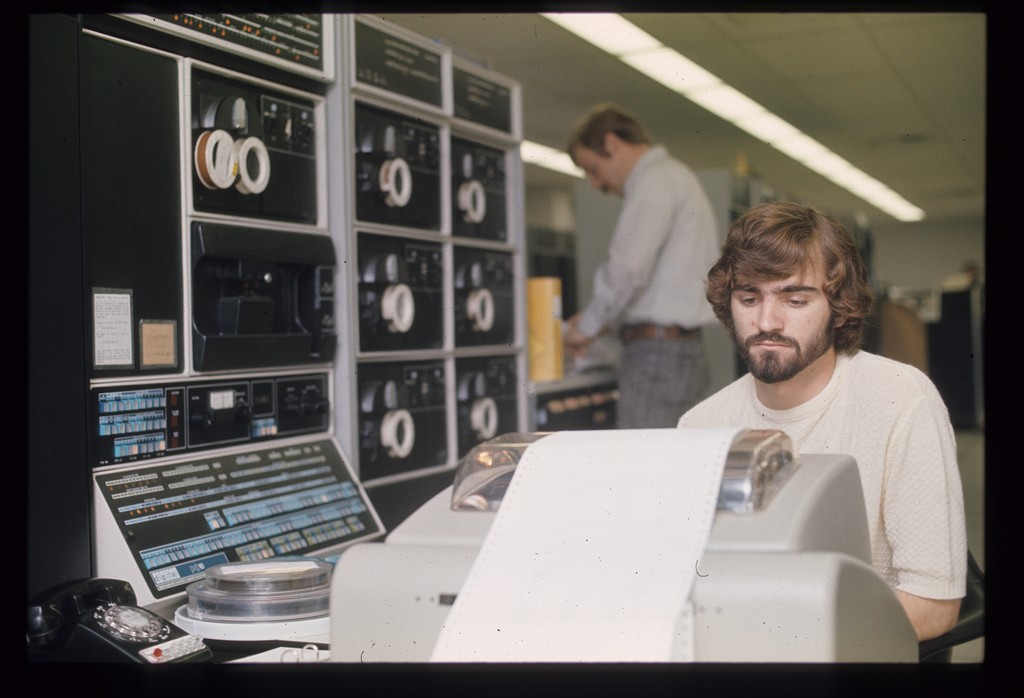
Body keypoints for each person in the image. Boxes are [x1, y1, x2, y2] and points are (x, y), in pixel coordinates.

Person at [677, 201, 967, 642]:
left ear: (839, 305)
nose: (766, 321)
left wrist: (781, 641)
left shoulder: (901, 400)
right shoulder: (700, 427)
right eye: (748, 298)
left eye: (795, 300)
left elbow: (933, 605)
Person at [563, 104, 719, 428]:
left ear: (611, 143)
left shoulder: (654, 181)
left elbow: (628, 269)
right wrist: (600, 321)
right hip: (680, 353)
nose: (595, 183)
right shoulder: (677, 176)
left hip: (657, 359)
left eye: (593, 169)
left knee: (643, 458)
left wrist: (586, 329)